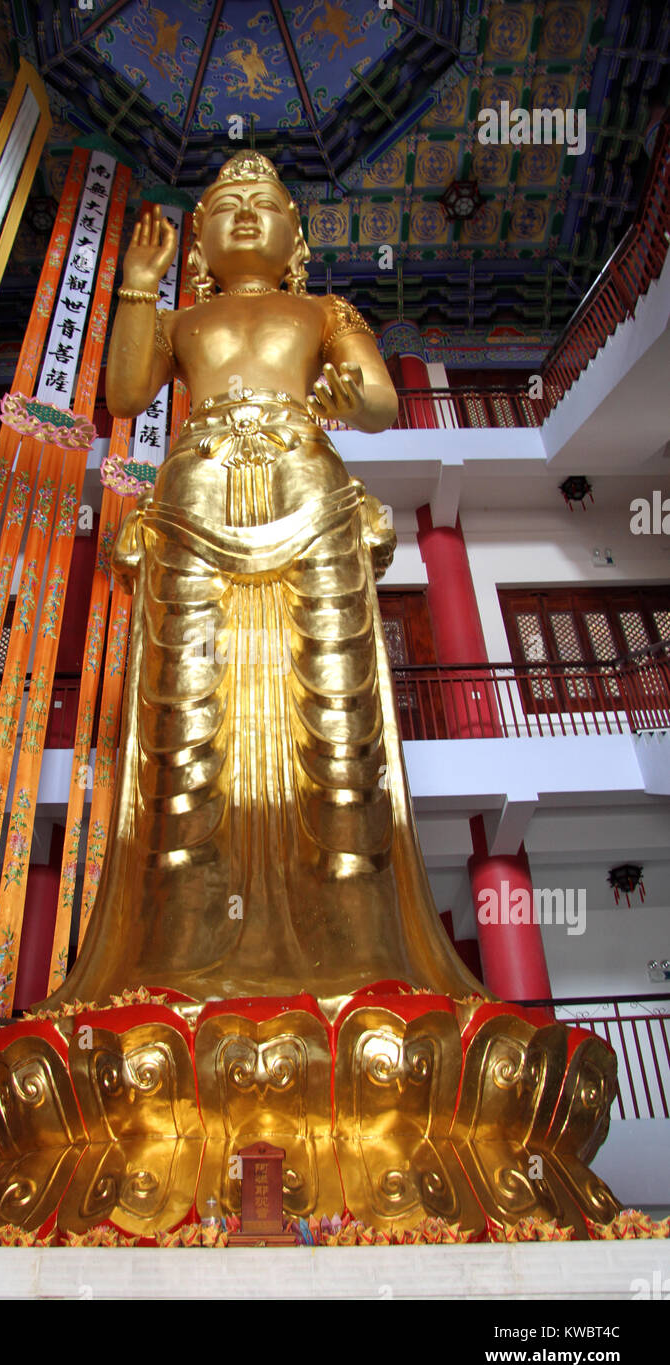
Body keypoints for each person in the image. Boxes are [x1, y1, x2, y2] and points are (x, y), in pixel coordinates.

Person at [40, 152, 484, 1006]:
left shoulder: (323, 310)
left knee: (337, 710)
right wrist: (139, 285)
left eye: (265, 204)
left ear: (296, 238)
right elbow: (126, 392)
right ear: (198, 240)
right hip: (197, 483)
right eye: (226, 205)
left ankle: (355, 945)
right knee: (184, 708)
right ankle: (179, 945)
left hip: (307, 480)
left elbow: (383, 402)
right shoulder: (181, 322)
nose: (246, 214)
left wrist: (351, 391)